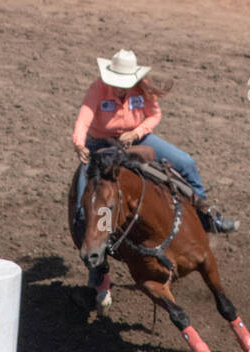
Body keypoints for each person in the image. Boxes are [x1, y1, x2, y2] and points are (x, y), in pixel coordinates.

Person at [72, 49, 238, 234]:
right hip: (101, 142)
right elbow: (83, 120)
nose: (119, 87)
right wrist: (79, 144)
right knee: (85, 182)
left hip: (139, 138)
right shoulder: (97, 88)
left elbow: (154, 116)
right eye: (116, 83)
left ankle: (207, 216)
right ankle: (82, 225)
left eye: (124, 83)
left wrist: (135, 133)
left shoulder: (143, 88)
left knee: (186, 162)